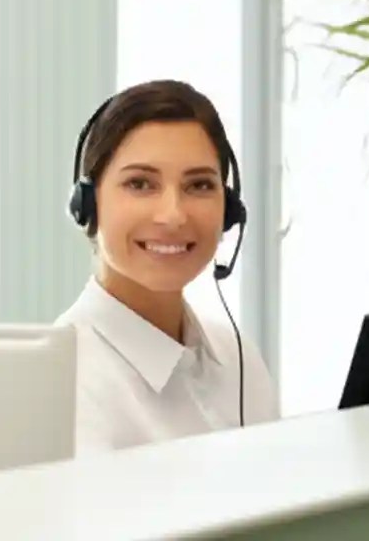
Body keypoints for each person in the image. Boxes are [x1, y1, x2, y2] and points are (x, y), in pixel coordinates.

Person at [56, 79, 280, 456]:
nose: (173, 215)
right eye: (140, 183)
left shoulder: (239, 357)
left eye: (199, 186)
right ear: (88, 205)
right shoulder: (63, 381)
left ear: (228, 211)